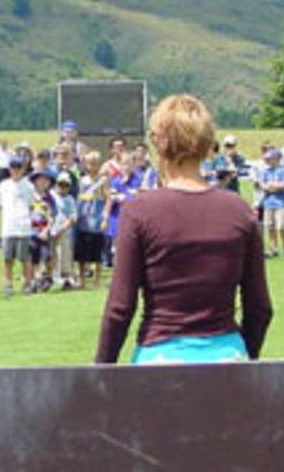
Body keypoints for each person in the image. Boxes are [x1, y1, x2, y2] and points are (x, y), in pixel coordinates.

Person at [95, 94, 272, 364]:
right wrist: (244, 361)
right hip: (228, 358)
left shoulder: (139, 211)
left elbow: (120, 309)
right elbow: (259, 308)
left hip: (159, 359)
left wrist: (100, 373)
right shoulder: (239, 210)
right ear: (207, 145)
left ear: (159, 143)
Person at [0, 154, 36, 296]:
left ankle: (27, 283)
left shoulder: (28, 185)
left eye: (18, 167)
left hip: (23, 226)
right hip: (8, 226)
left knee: (24, 257)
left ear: (23, 169)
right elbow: (0, 205)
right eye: (13, 167)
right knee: (7, 258)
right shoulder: (4, 185)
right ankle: (8, 284)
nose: (16, 170)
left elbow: (32, 205)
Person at [74, 151, 109, 289]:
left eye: (94, 163)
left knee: (97, 252)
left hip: (97, 217)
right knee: (81, 253)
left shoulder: (103, 180)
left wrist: (105, 217)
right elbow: (79, 198)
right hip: (83, 218)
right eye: (89, 163)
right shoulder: (82, 180)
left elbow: (108, 199)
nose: (91, 166)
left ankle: (97, 280)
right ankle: (82, 280)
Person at [260, 147, 284, 257]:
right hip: (268, 202)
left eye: (270, 158)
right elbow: (262, 185)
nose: (268, 161)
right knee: (270, 227)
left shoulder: (283, 170)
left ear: (277, 159)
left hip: (281, 203)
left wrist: (272, 186)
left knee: (281, 226)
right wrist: (272, 186)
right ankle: (273, 249)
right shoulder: (265, 171)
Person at [50, 171, 79, 290]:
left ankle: (67, 279)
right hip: (50, 230)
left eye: (66, 185)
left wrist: (62, 229)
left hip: (65, 232)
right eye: (60, 184)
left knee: (65, 255)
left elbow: (73, 217)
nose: (63, 187)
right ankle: (51, 277)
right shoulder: (51, 196)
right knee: (52, 255)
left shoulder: (70, 199)